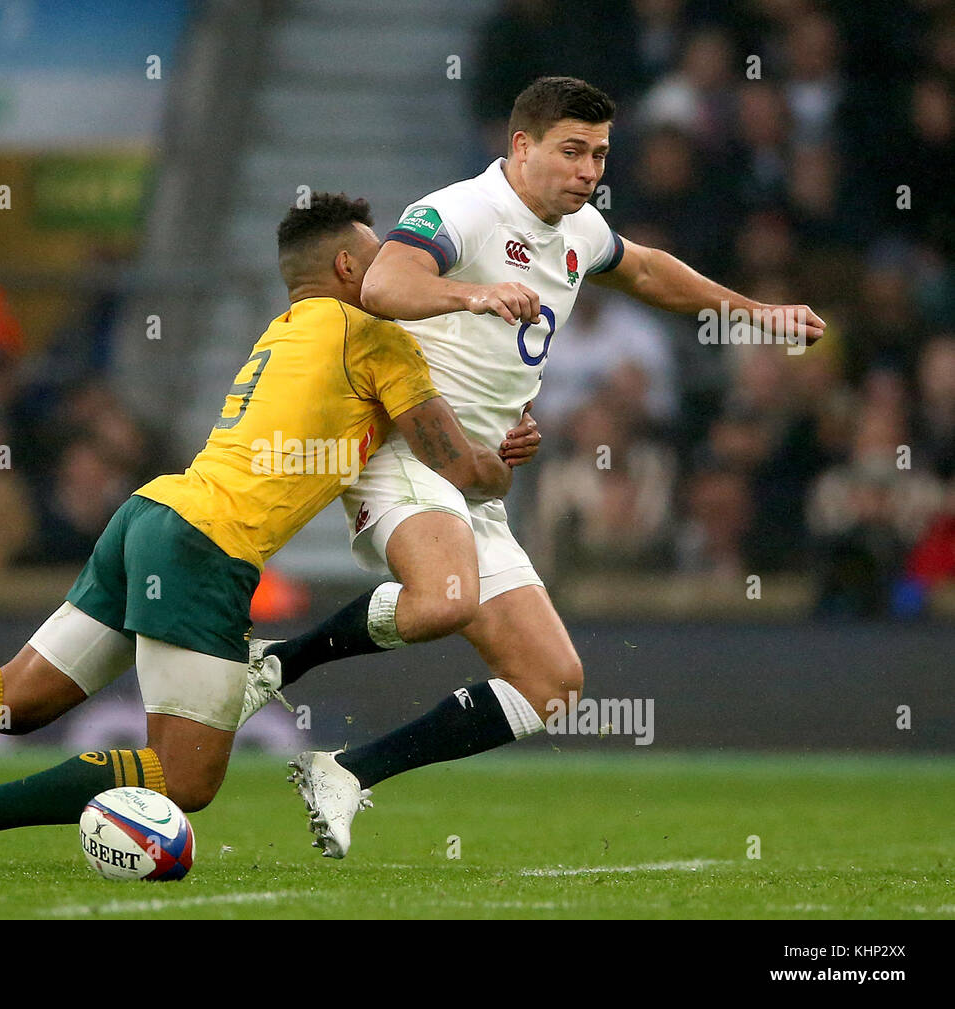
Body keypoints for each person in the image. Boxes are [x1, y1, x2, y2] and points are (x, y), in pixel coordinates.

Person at [0, 194, 520, 867]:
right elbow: (454, 464)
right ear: (351, 269)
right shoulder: (374, 339)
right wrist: (506, 456)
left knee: (17, 697)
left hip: (150, 515)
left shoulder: (285, 333)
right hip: (204, 549)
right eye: (379, 261)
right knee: (185, 783)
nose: (389, 275)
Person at [239, 76, 825, 858]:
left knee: (552, 683)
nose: (590, 171)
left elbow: (648, 270)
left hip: (478, 475)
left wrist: (757, 315)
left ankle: (346, 770)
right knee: (444, 596)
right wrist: (473, 296)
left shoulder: (580, 230)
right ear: (522, 146)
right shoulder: (465, 210)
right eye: (572, 151)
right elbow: (384, 281)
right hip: (408, 447)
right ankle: (277, 662)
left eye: (601, 155)